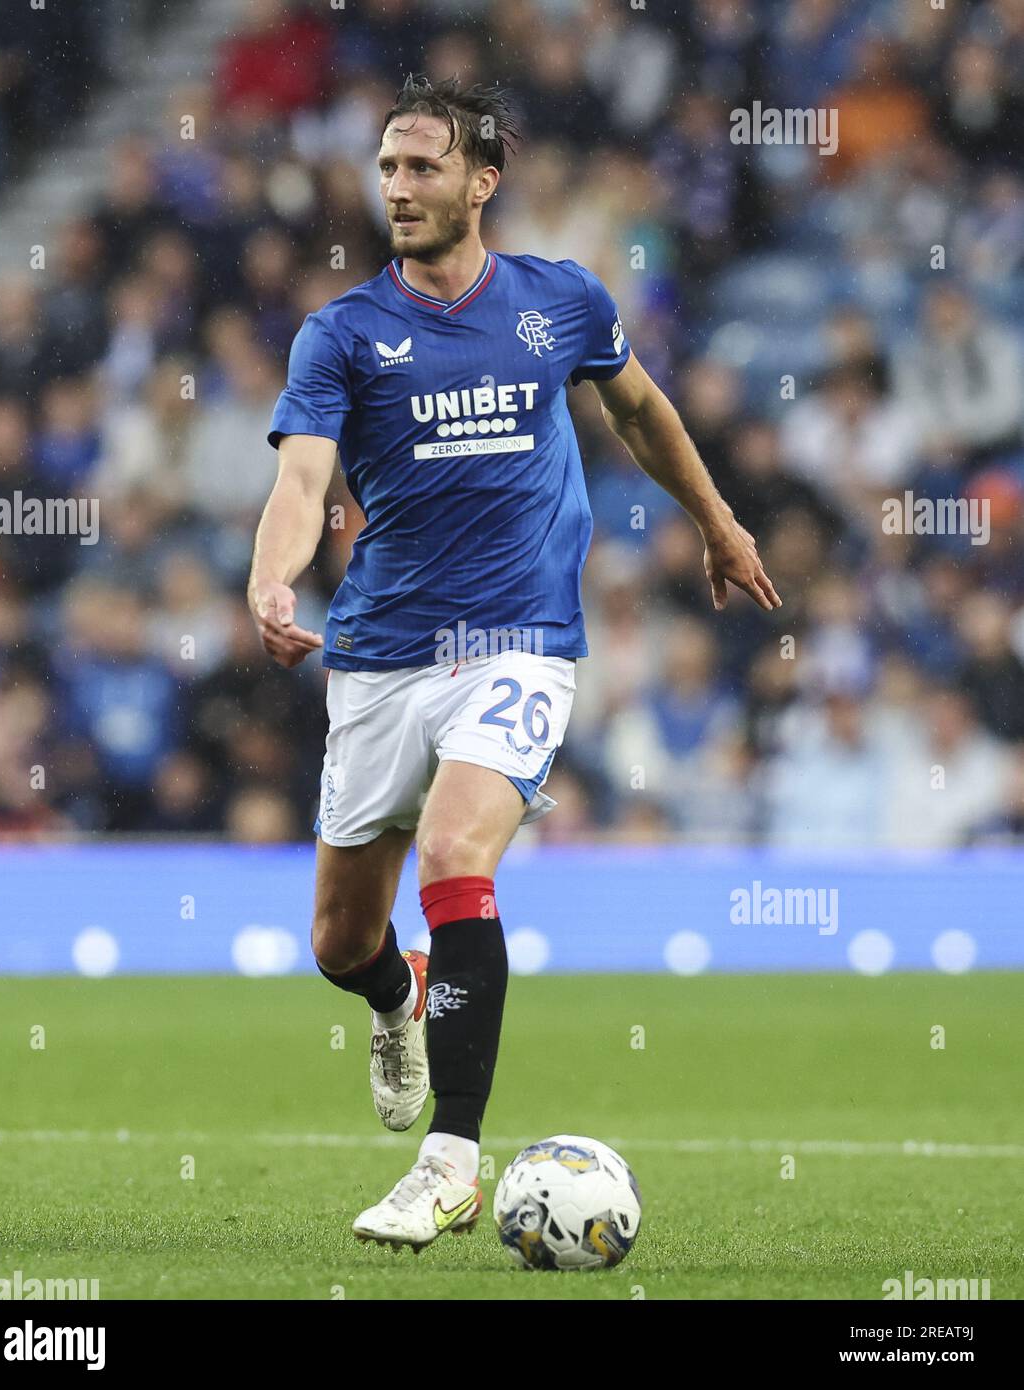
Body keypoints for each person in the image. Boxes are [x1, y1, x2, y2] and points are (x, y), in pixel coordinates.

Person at [247, 74, 780, 1252]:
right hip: (381, 652)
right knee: (340, 941)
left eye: (422, 166)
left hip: (519, 638)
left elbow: (639, 412)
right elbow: (301, 480)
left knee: (454, 850)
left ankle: (450, 1160)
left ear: (481, 182)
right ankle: (398, 998)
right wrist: (273, 575)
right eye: (386, 167)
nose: (397, 186)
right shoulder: (341, 332)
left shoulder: (558, 301)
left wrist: (716, 520)